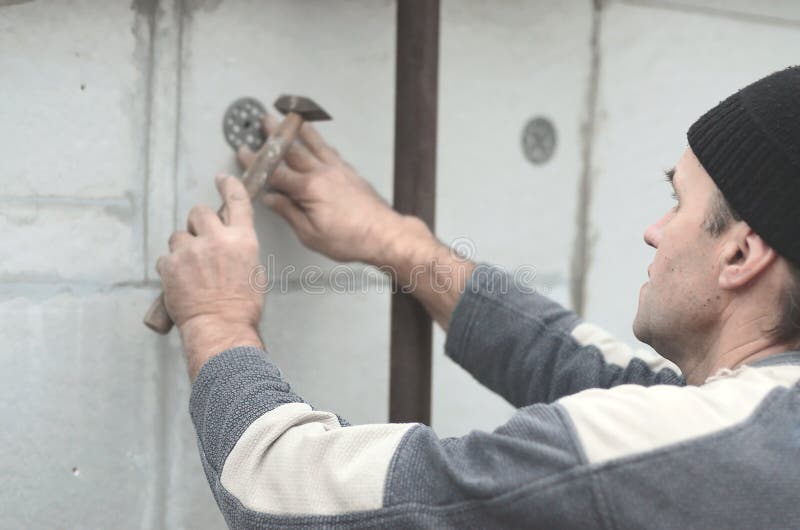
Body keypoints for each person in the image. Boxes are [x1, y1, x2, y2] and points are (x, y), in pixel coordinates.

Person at [156, 66, 800, 528]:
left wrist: (216, 319)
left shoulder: (694, 448)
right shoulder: (763, 417)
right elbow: (579, 365)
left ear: (740, 253)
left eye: (677, 202)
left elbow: (280, 491)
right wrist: (397, 241)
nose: (653, 232)